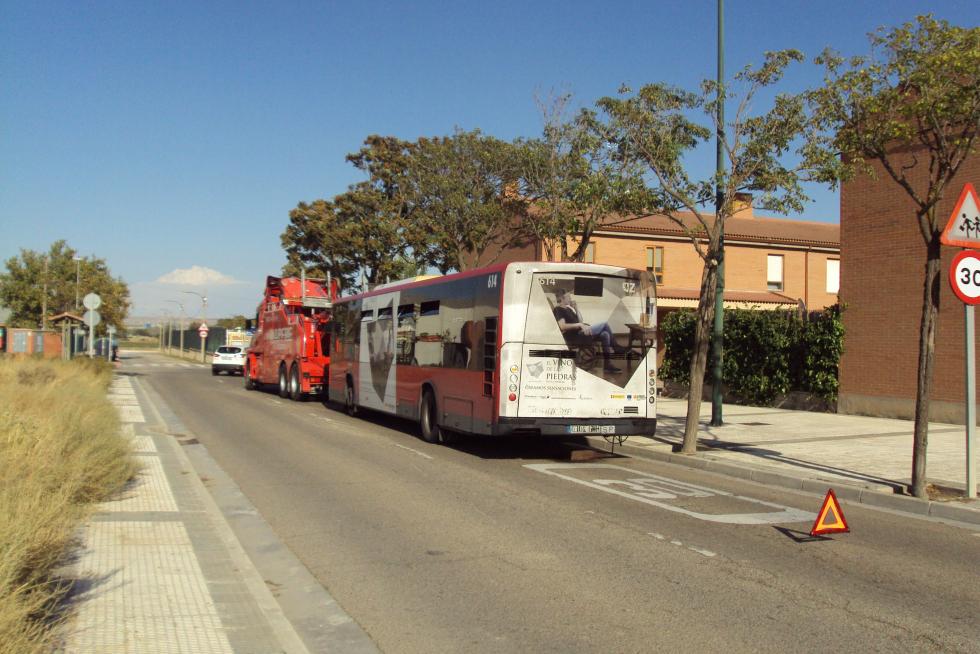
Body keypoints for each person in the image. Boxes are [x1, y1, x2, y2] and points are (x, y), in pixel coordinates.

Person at [553, 288, 622, 373]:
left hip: (581, 334)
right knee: (605, 324)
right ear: (562, 298)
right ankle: (616, 348)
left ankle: (607, 366)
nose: (570, 298)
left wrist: (576, 308)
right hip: (574, 337)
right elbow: (562, 326)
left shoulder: (568, 309)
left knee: (605, 335)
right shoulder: (558, 309)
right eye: (568, 297)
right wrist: (579, 325)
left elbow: (581, 321)